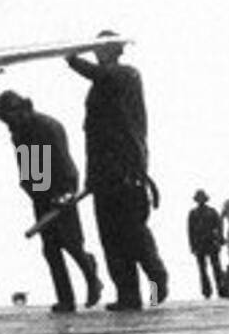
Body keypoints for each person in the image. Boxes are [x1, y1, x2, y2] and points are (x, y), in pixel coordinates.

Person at [0, 71, 103, 312]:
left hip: (60, 187)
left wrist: (66, 195)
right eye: (7, 118)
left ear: (24, 110)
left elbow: (65, 165)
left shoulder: (47, 128)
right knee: (50, 249)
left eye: (13, 117)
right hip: (39, 188)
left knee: (71, 243)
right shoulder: (13, 118)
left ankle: (91, 275)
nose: (10, 122)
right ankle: (66, 299)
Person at [67, 33, 168, 311]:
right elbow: (94, 139)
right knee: (111, 240)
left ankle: (157, 278)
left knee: (134, 236)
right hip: (103, 176)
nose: (97, 55)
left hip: (127, 172)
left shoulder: (125, 75)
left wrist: (72, 58)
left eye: (100, 50)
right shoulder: (102, 85)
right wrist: (91, 178)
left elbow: (101, 75)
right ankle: (128, 295)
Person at [187, 189, 226, 299]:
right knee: (203, 269)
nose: (201, 201)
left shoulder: (212, 212)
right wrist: (192, 245)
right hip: (200, 244)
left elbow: (219, 226)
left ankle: (220, 289)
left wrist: (220, 240)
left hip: (211, 243)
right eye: (199, 199)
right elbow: (190, 231)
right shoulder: (193, 213)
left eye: (202, 199)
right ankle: (207, 291)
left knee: (216, 267)